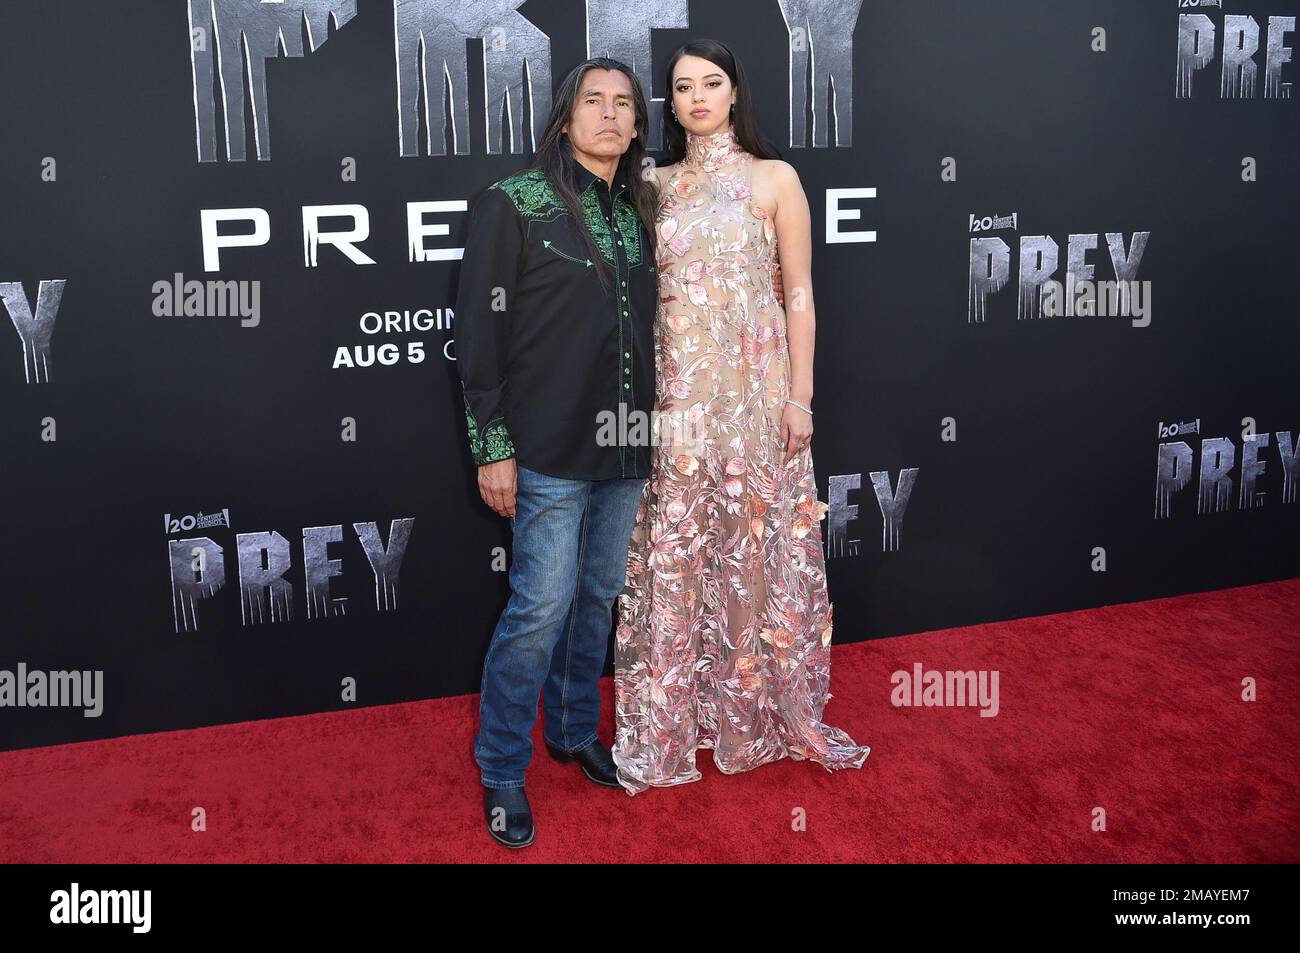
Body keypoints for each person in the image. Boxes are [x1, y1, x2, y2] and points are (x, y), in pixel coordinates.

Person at [612, 39, 871, 795]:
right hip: (675, 403)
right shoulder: (651, 186)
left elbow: (798, 294)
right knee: (677, 553)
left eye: (711, 83)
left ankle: (749, 712)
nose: (696, 97)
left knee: (753, 549)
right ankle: (674, 721)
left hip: (756, 396)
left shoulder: (775, 178)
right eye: (682, 87)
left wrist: (801, 395)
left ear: (735, 93)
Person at [454, 57, 660, 846]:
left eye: (624, 105)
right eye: (593, 102)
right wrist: (492, 445)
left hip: (627, 446)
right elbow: (478, 335)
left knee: (598, 596)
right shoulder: (515, 203)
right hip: (542, 446)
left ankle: (574, 730)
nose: (609, 116)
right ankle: (503, 767)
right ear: (566, 118)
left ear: (638, 125)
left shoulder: (640, 208)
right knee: (539, 606)